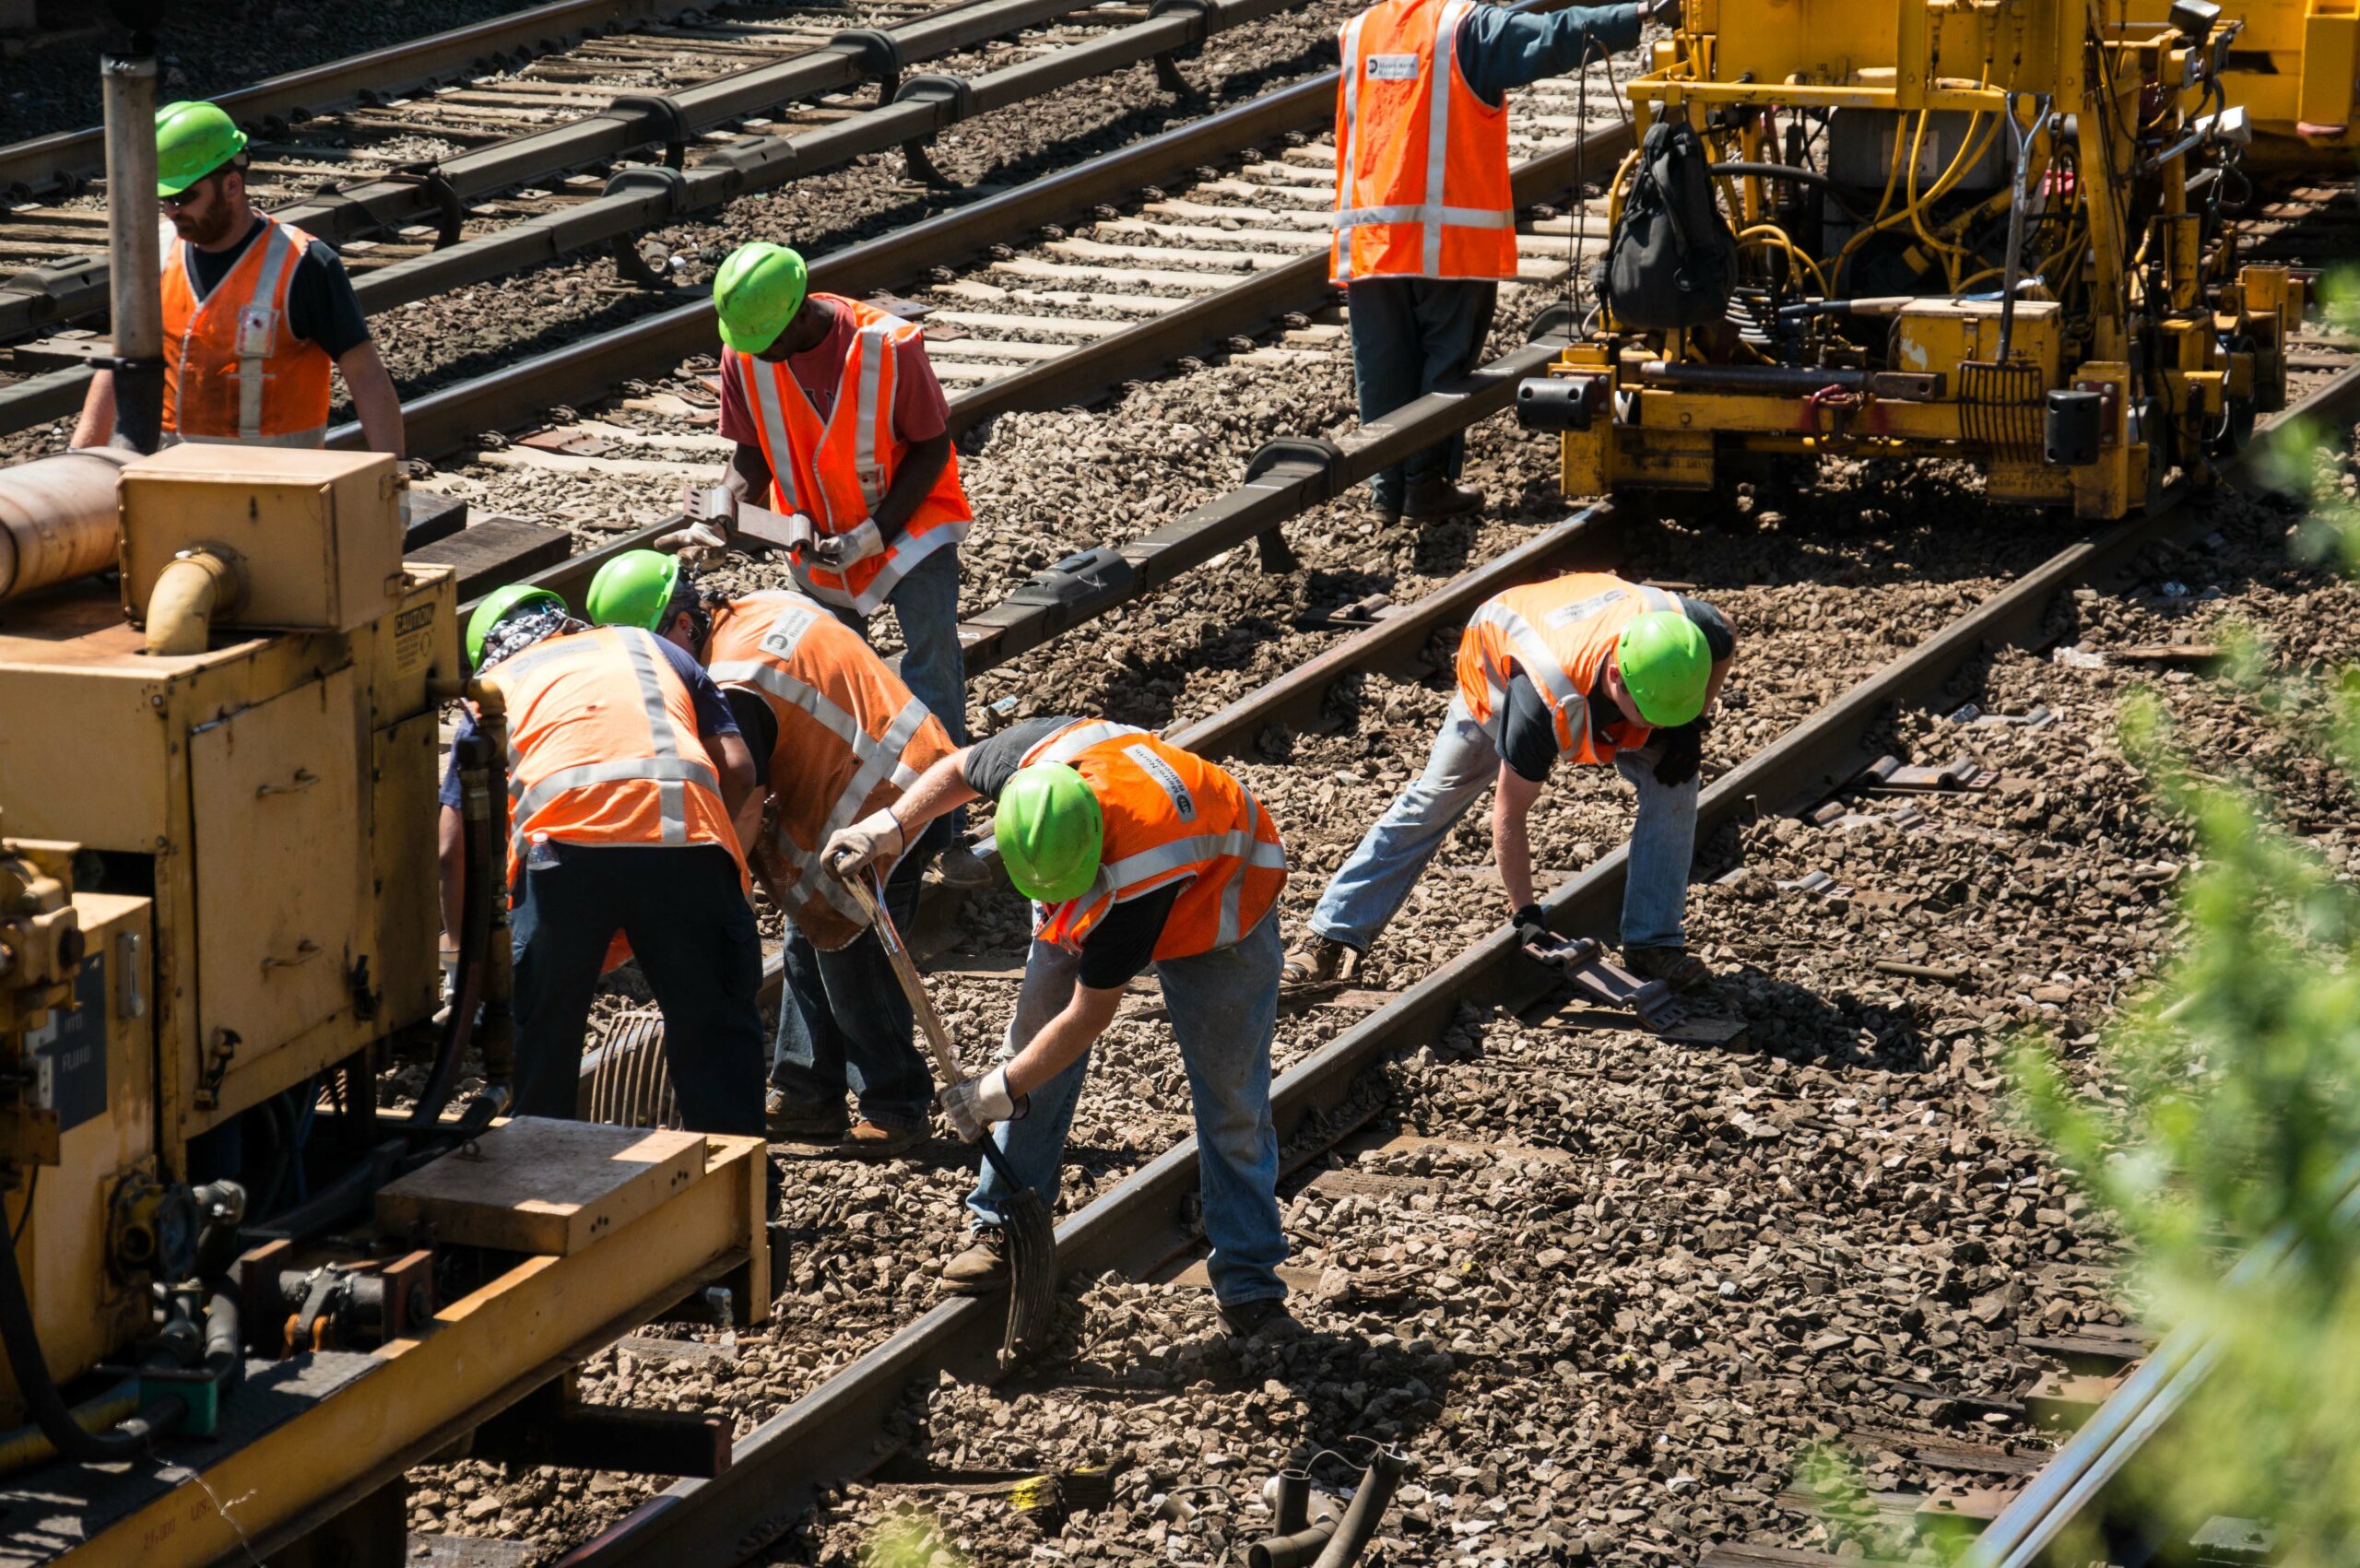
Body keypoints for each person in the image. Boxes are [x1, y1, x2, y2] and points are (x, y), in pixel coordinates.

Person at [822, 717, 1294, 1336]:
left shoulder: (1141, 865)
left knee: (1231, 1100)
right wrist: (890, 827)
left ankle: (1250, 1281)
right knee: (1029, 1050)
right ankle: (1000, 1225)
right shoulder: (1034, 768)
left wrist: (997, 1089)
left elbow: (1088, 1016)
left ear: (1096, 848)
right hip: (1111, 880)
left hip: (1225, 907)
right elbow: (956, 769)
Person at [586, 548, 958, 1157]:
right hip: (896, 770)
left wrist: (719, 897)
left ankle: (897, 1104)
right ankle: (805, 1087)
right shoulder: (752, 609)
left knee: (848, 952)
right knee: (807, 924)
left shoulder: (733, 682)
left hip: (886, 797)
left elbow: (746, 803)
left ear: (682, 625)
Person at [697, 241, 991, 888]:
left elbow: (933, 443)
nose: (757, 354)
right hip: (821, 546)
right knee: (838, 692)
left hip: (910, 530)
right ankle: (855, 820)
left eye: (768, 341)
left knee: (932, 671)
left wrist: (877, 532)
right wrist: (723, 507)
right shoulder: (745, 352)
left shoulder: (890, 347)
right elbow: (749, 454)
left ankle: (943, 830)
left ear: (803, 315)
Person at [1287, 571, 1733, 990]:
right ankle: (1332, 933)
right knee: (1435, 797)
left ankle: (1653, 943)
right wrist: (1525, 913)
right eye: (1649, 716)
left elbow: (1725, 633)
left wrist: (1690, 724)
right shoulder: (1538, 699)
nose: (1654, 730)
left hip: (1589, 635)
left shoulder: (1690, 631)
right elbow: (1509, 811)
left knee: (1676, 783)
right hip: (1497, 667)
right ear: (1616, 676)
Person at [441, 584, 762, 1137]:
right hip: (687, 846)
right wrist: (698, 852)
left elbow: (451, 847)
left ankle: (544, 1197)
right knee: (717, 1035)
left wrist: (460, 963)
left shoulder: (491, 691)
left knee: (541, 1043)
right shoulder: (653, 649)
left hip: (559, 866)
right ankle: (745, 1203)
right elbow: (735, 768)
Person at [1329, 0, 1671, 517]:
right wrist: (1638, 14)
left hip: (1374, 237)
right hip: (1446, 243)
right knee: (1443, 364)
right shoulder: (1463, 28)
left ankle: (1386, 492)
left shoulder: (1360, 30)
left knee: (1381, 365)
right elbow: (1551, 36)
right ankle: (1423, 484)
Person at [70, 100, 404, 456]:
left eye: (183, 197)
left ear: (231, 185)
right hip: (169, 486)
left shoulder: (302, 265)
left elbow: (366, 376)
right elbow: (122, 359)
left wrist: (394, 479)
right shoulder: (156, 253)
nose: (172, 211)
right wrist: (80, 457)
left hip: (276, 493)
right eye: (164, 200)